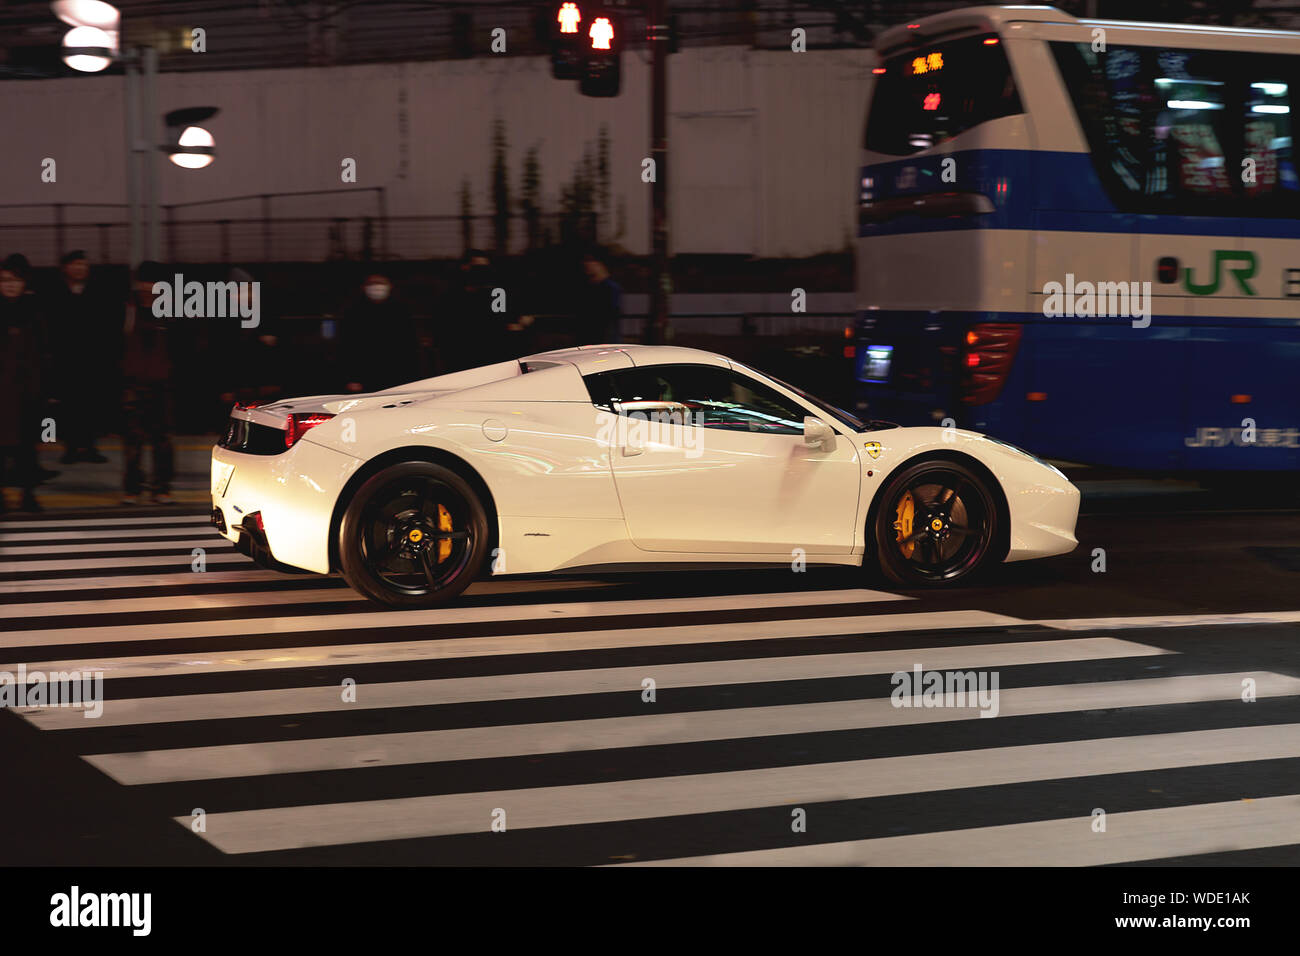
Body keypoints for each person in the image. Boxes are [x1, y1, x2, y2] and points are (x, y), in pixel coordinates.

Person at [46, 249, 112, 464]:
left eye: (82, 264)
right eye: (74, 264)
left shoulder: (98, 291)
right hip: (65, 359)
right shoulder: (55, 292)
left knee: (91, 404)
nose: (79, 268)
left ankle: (90, 446)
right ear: (65, 268)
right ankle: (72, 447)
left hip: (91, 359)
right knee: (68, 406)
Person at [120, 261, 175, 505]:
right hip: (131, 383)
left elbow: (185, 348)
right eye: (144, 281)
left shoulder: (172, 311)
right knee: (133, 439)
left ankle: (162, 487)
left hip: (162, 384)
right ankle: (132, 488)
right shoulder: (127, 309)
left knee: (161, 438)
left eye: (153, 282)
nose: (148, 287)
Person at [0, 254, 47, 512]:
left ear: (24, 282)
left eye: (15, 280)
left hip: (26, 390)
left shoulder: (34, 312)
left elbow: (44, 352)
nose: (9, 285)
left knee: (27, 446)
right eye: (5, 279)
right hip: (3, 390)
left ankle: (27, 493)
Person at [337, 270, 421, 393]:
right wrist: (352, 378)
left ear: (390, 286)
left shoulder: (400, 310)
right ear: (364, 287)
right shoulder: (353, 312)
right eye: (372, 283)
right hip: (366, 373)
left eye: (380, 283)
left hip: (398, 372)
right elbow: (347, 346)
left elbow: (410, 344)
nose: (377, 287)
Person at [574, 251, 623, 345]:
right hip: (593, 333)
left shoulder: (609, 287)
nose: (588, 267)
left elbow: (611, 310)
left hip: (603, 334)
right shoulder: (590, 286)